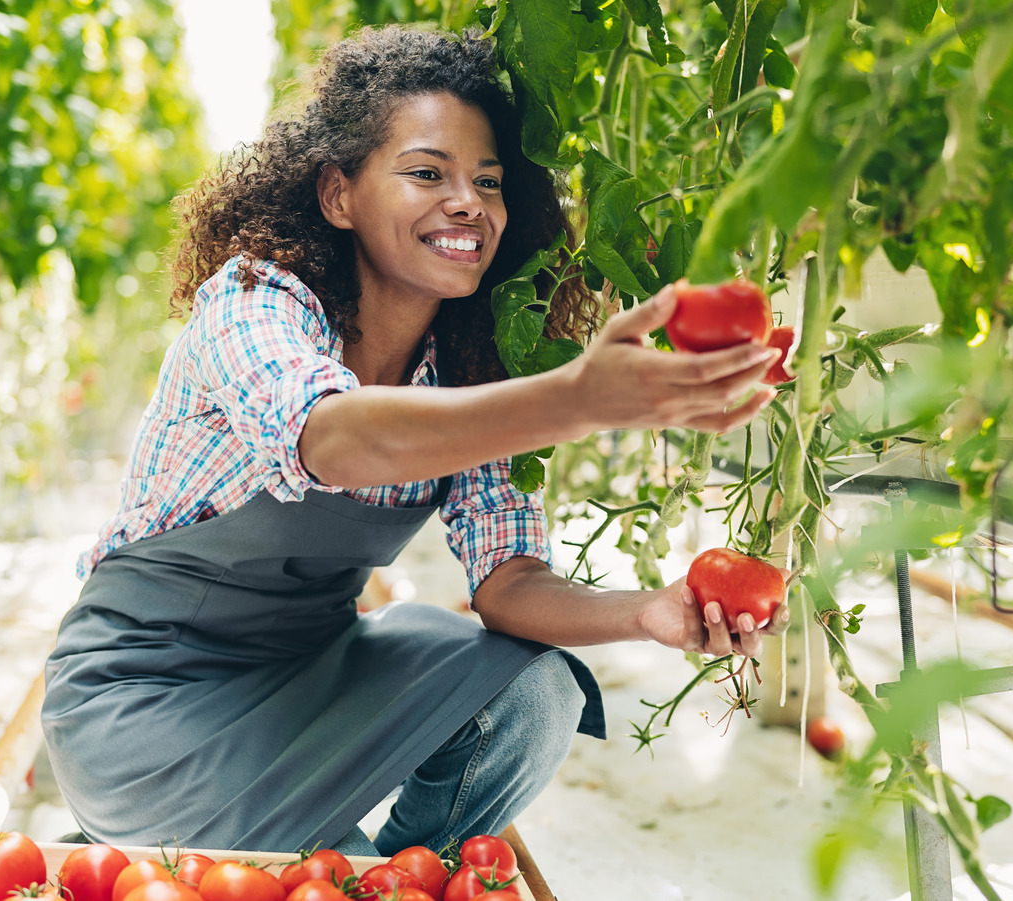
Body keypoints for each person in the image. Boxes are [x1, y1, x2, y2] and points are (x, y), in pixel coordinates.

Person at [40, 24, 788, 859]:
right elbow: (334, 439)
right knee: (296, 863)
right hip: (142, 695)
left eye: (490, 182)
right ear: (338, 195)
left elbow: (509, 583)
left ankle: (405, 868)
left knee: (535, 687)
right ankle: (285, 851)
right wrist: (576, 399)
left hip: (310, 678)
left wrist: (644, 613)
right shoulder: (255, 302)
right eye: (427, 173)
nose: (469, 201)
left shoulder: (469, 370)